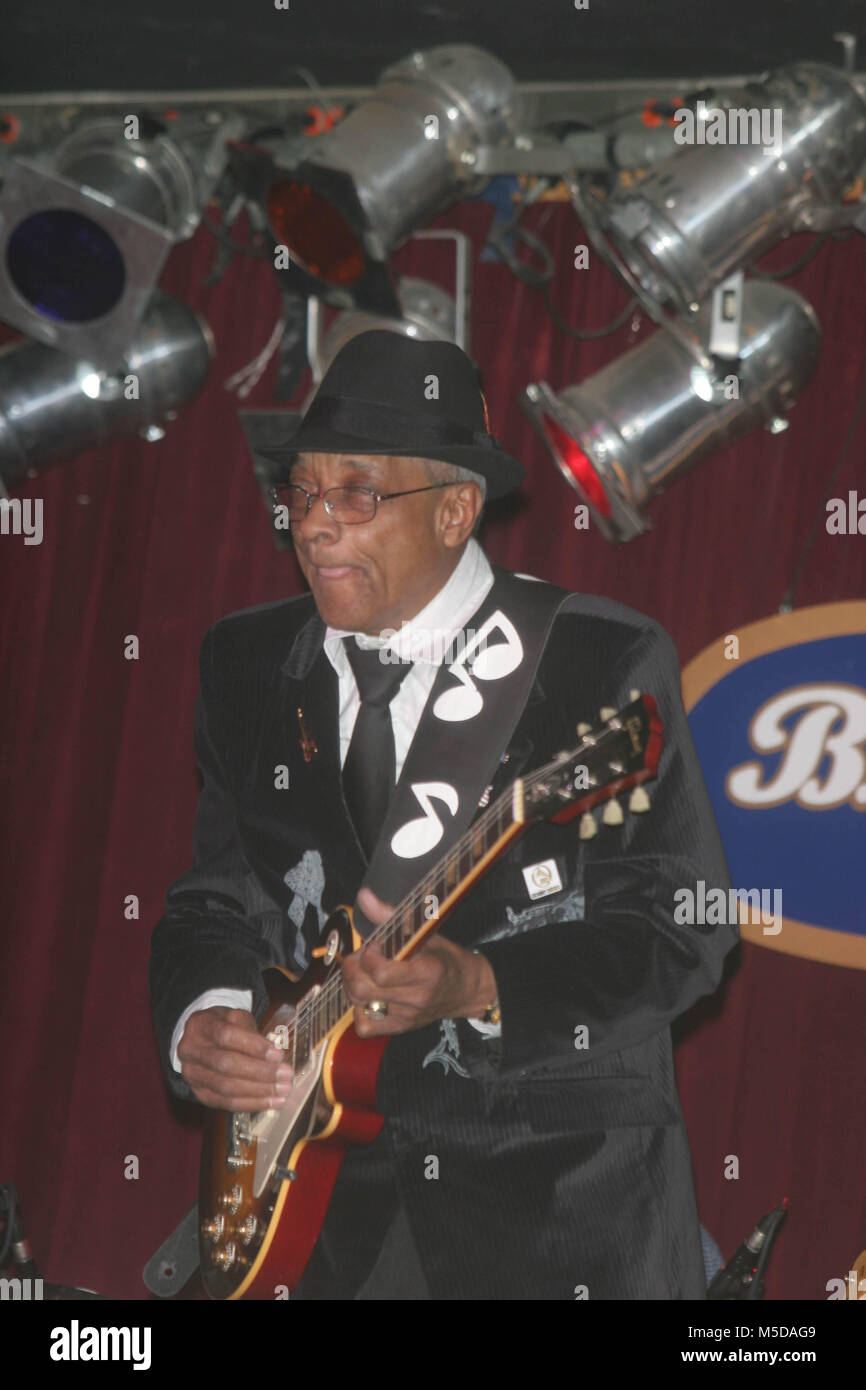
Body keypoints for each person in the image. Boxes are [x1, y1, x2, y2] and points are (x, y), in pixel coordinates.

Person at [149, 329, 737, 1300]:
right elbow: (220, 894)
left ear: (457, 509)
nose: (314, 526)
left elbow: (683, 929)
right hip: (312, 1210)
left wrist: (480, 980)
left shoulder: (594, 660)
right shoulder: (245, 663)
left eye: (357, 494)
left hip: (549, 1211)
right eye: (300, 491)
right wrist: (206, 1019)